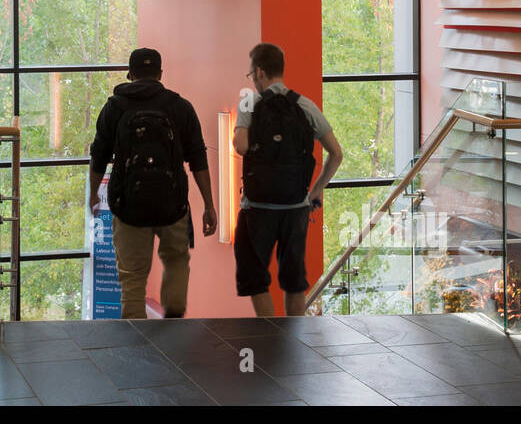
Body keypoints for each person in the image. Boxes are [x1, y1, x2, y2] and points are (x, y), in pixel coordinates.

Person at [89, 48, 216, 318]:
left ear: (130, 74)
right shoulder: (180, 107)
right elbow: (198, 158)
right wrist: (209, 205)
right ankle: (173, 328)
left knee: (132, 281)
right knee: (176, 263)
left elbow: (98, 155)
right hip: (173, 207)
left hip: (128, 207)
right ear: (160, 74)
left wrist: (93, 195)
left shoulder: (114, 107)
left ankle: (138, 347)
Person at [232, 42, 343, 317]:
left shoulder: (249, 102)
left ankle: (270, 336)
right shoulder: (304, 105)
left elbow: (241, 146)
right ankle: (295, 340)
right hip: (295, 208)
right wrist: (314, 192)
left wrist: (240, 131)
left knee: (255, 277)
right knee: (294, 282)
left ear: (259, 72)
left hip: (257, 208)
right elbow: (337, 154)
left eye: (251, 75)